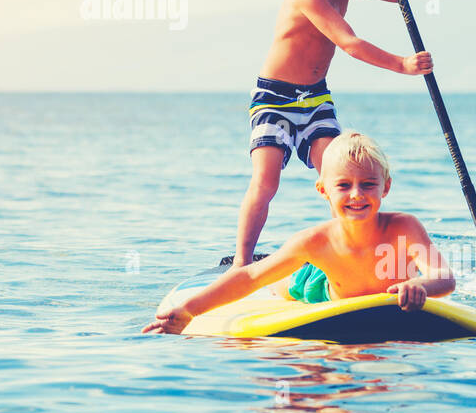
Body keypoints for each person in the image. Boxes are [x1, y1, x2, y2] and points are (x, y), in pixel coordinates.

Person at [233, 0, 432, 267]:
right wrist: (402, 64)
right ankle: (242, 263)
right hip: (274, 98)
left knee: (340, 175)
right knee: (267, 181)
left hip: (315, 98)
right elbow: (349, 43)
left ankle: (352, 253)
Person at [145, 131, 454, 334]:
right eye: (343, 185)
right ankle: (274, 263)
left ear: (385, 186)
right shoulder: (314, 241)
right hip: (319, 288)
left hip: (377, 293)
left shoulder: (405, 227)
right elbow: (251, 278)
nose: (357, 194)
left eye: (368, 184)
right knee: (281, 280)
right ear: (323, 190)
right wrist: (189, 309)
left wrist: (419, 286)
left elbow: (444, 277)